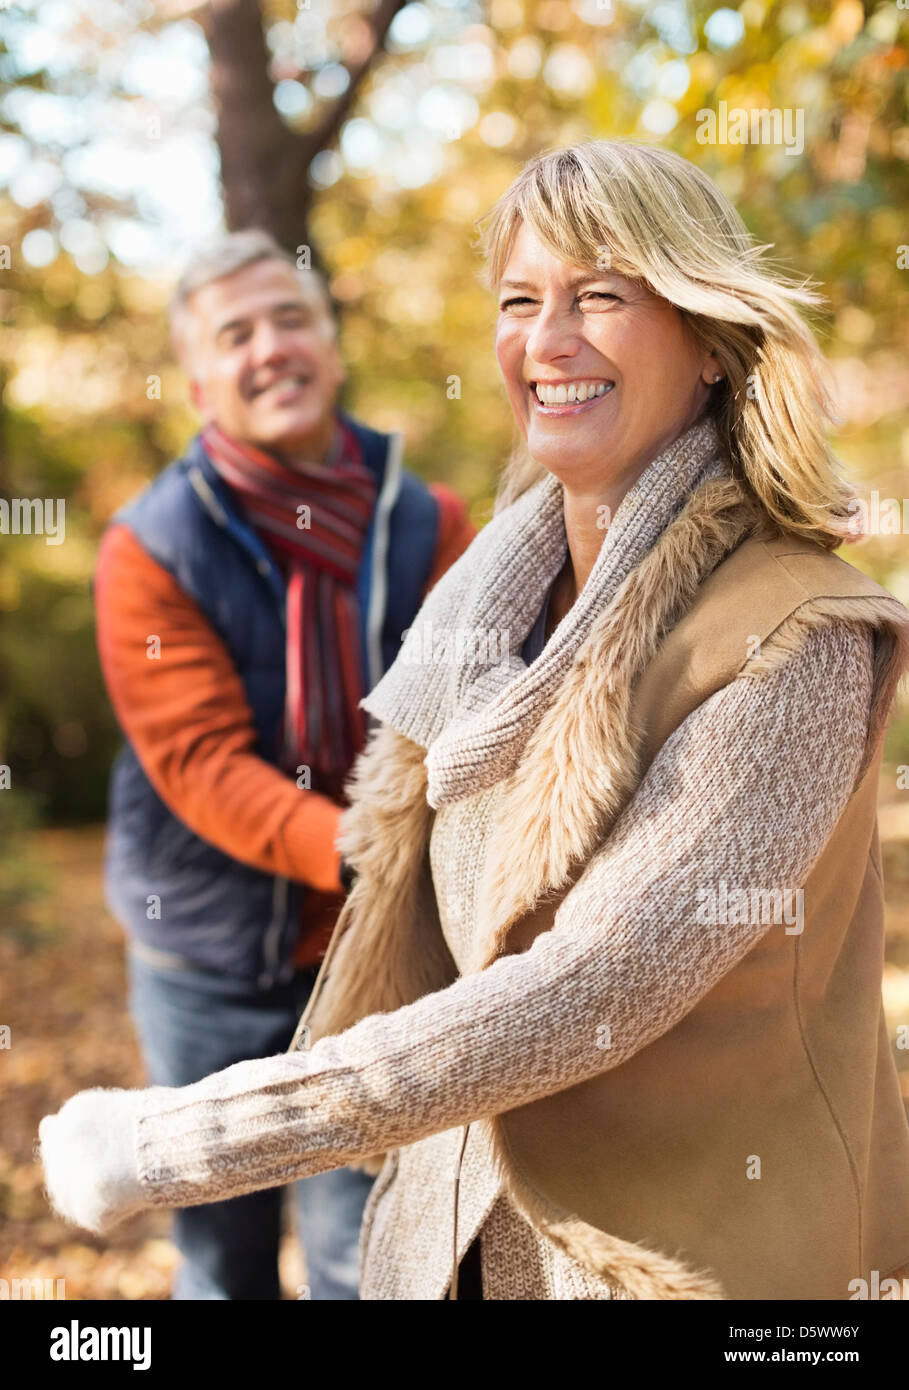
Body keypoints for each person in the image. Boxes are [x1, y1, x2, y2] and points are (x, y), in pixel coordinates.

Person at [40, 141, 909, 1300]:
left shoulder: (791, 637)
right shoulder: (486, 584)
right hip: (331, 1068)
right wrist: (354, 859)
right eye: (520, 301)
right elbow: (212, 765)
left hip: (674, 1261)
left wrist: (179, 1140)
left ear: (710, 339)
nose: (548, 339)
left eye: (601, 294)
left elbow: (589, 988)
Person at [83, 229, 475, 1300]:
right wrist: (370, 853)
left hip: (377, 954)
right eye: (235, 334)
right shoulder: (151, 545)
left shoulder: (426, 519)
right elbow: (201, 761)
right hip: (209, 954)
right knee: (225, 1256)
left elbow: (469, 702)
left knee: (371, 1252)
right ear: (200, 378)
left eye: (290, 318)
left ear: (333, 344)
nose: (270, 349)